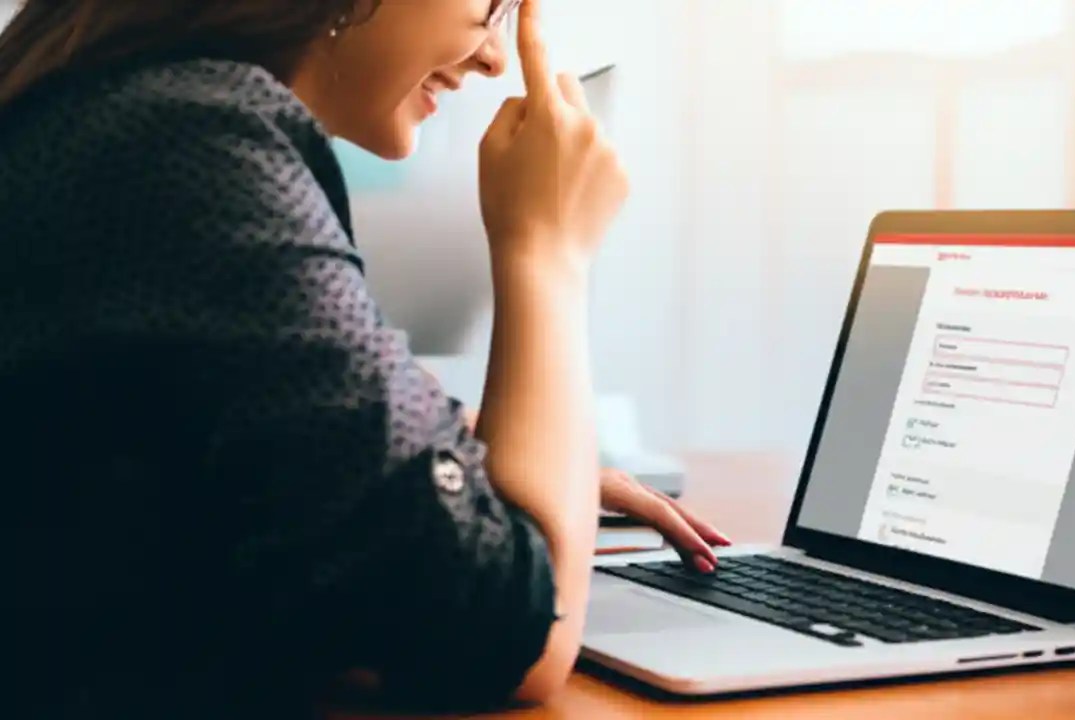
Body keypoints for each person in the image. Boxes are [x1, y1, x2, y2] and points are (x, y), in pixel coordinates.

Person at [0, 0, 729, 717]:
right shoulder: (191, 140)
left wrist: (495, 454)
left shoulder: (116, 102)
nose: (494, 55)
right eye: (489, 4)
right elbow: (504, 636)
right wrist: (548, 251)